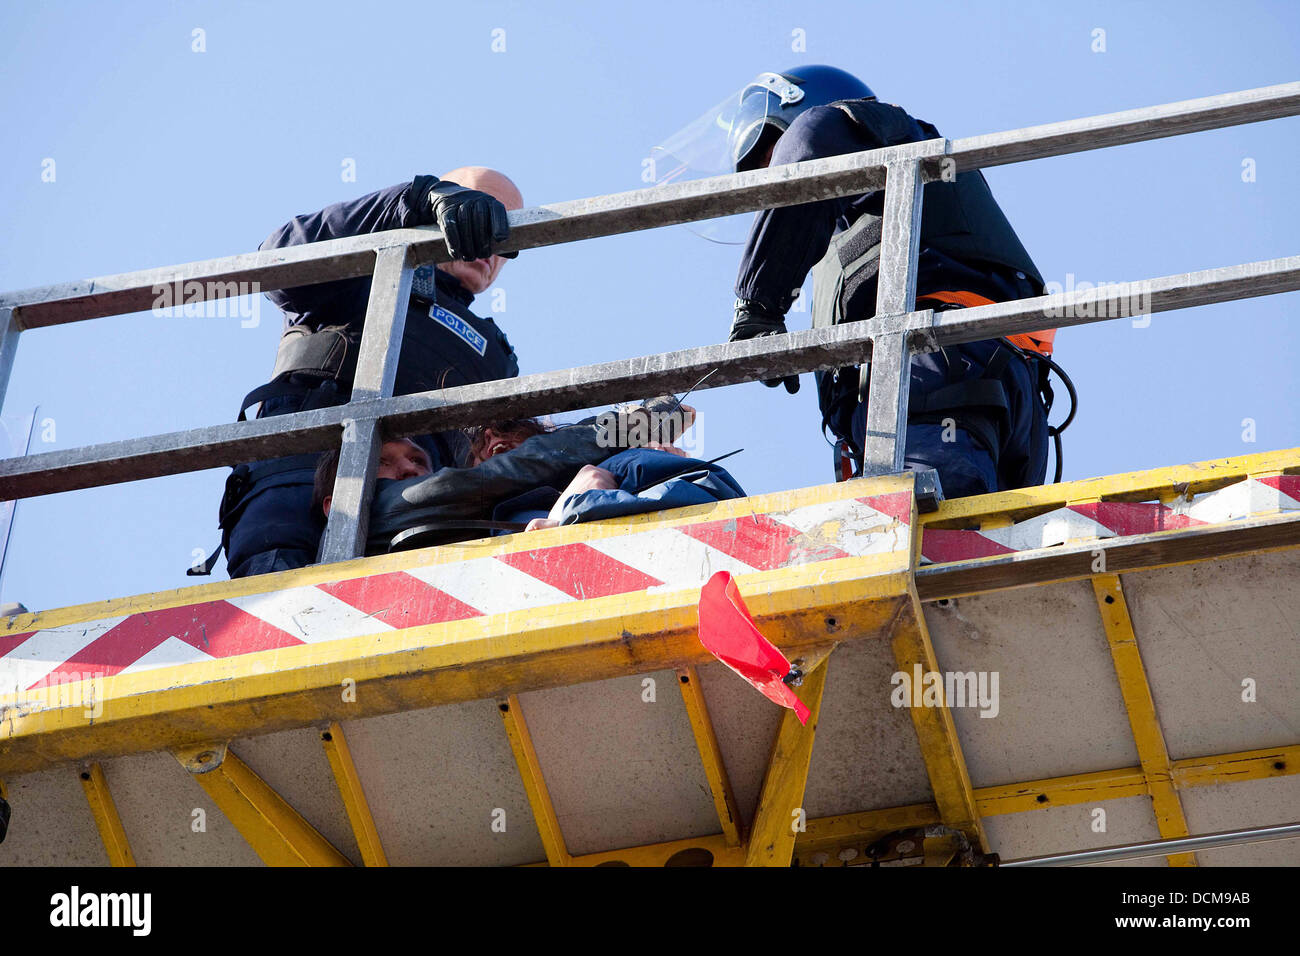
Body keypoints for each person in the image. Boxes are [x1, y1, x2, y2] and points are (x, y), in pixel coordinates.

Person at [662, 66, 1056, 498]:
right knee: (971, 543)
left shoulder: (878, 131)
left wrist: (759, 303)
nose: (779, 185)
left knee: (921, 526)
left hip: (939, 374)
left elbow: (812, 139)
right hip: (963, 395)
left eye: (776, 161)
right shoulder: (856, 225)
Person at [215, 167, 524, 578]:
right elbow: (277, 261)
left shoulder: (496, 356)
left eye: (507, 226)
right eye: (479, 209)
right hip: (299, 480)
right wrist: (412, 200)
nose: (492, 235)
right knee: (271, 616)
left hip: (419, 508)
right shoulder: (365, 271)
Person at [310, 405, 745, 556]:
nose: (408, 469)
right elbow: (515, 472)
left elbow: (709, 495)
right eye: (386, 463)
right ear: (336, 505)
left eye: (417, 459)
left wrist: (634, 460)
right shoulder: (380, 512)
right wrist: (628, 427)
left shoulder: (603, 476)